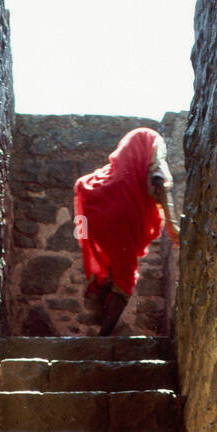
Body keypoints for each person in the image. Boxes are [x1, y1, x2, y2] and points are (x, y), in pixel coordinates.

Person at [73, 127, 181, 336]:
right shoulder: (153, 141)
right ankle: (103, 338)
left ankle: (101, 287)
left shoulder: (109, 177)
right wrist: (171, 223)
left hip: (99, 210)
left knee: (113, 269)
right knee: (125, 277)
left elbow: (81, 190)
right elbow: (159, 181)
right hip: (124, 219)